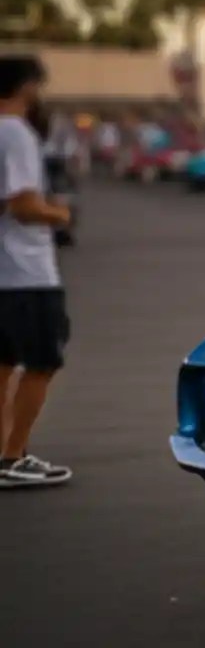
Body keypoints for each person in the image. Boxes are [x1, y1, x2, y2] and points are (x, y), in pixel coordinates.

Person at [0, 55, 73, 487]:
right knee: (42, 362)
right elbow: (24, 206)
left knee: (4, 362)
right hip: (27, 272)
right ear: (26, 86)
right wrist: (59, 214)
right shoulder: (16, 132)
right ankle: (13, 456)